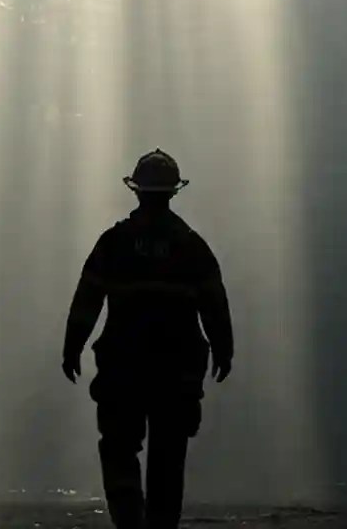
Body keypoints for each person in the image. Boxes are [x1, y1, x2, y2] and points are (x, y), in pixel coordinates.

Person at [63, 149, 234, 529]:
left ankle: (129, 523)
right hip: (177, 372)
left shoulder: (114, 243)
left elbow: (87, 300)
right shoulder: (192, 246)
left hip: (123, 369)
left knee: (120, 450)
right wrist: (224, 349)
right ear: (173, 191)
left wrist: (72, 347)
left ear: (137, 190)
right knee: (168, 458)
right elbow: (214, 304)